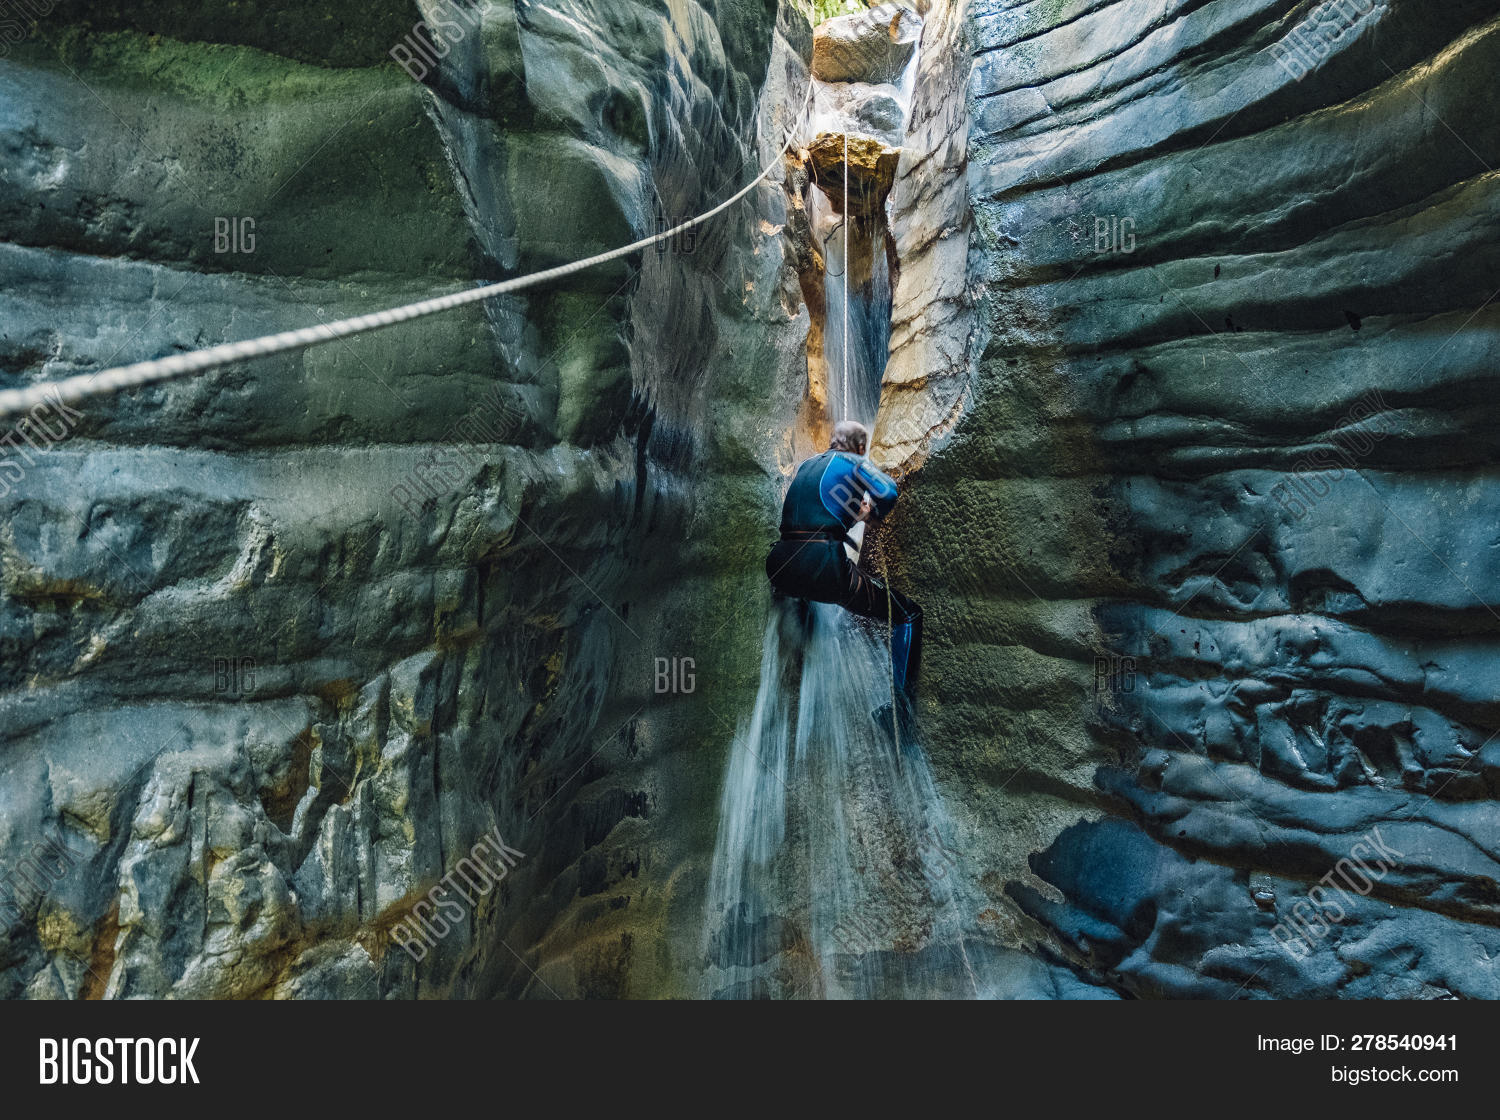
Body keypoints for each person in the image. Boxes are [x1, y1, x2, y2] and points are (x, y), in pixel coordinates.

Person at [765, 420, 922, 699]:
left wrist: (854, 515)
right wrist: (873, 513)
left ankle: (801, 664)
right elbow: (888, 491)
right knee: (908, 614)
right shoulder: (853, 461)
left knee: (807, 590)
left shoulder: (808, 464)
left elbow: (820, 514)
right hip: (823, 567)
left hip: (780, 565)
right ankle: (898, 708)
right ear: (860, 447)